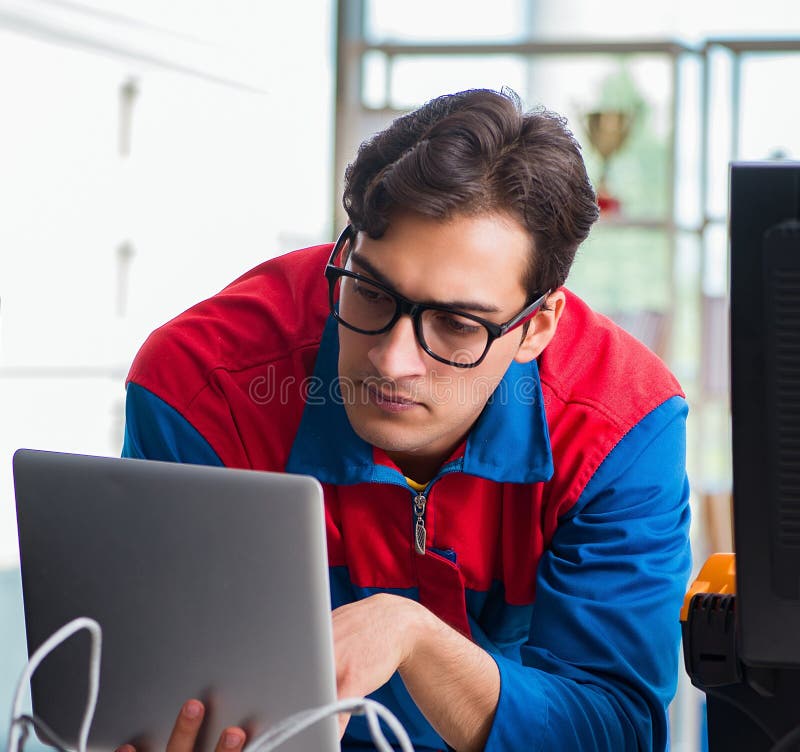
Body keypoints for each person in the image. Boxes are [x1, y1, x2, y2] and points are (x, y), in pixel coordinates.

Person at [121, 88, 691, 751]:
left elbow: (614, 730)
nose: (391, 361)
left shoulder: (622, 426)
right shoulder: (200, 386)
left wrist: (415, 637)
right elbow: (155, 685)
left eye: (455, 323)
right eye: (369, 290)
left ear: (536, 326)